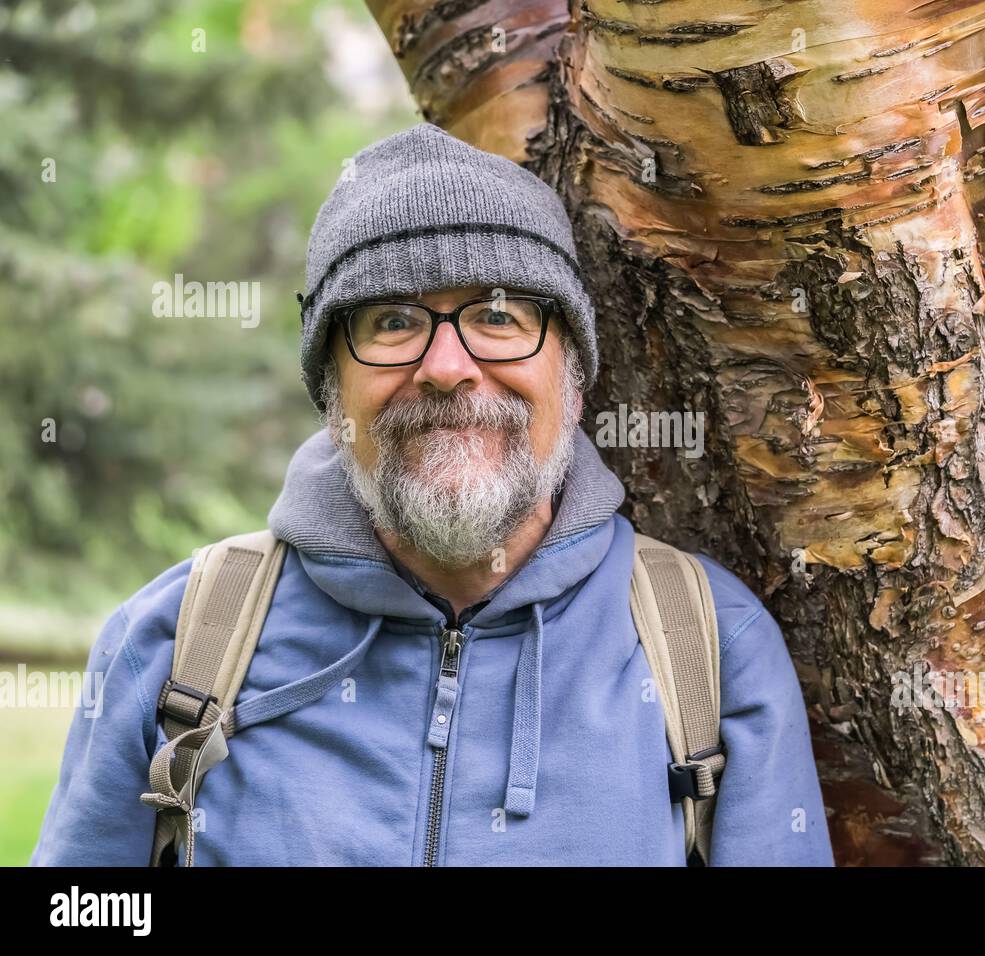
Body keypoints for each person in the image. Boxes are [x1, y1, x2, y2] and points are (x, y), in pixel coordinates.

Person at [29, 123, 835, 866]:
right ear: (331, 388)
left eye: (497, 313)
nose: (447, 367)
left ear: (574, 370)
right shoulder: (176, 645)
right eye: (391, 321)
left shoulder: (712, 649)